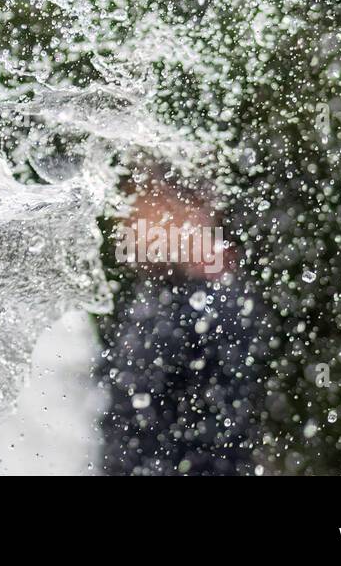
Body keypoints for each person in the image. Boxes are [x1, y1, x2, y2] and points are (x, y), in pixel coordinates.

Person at [99, 164, 266, 475]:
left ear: (179, 212)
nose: (128, 223)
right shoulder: (159, 293)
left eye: (138, 208)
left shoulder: (213, 302)